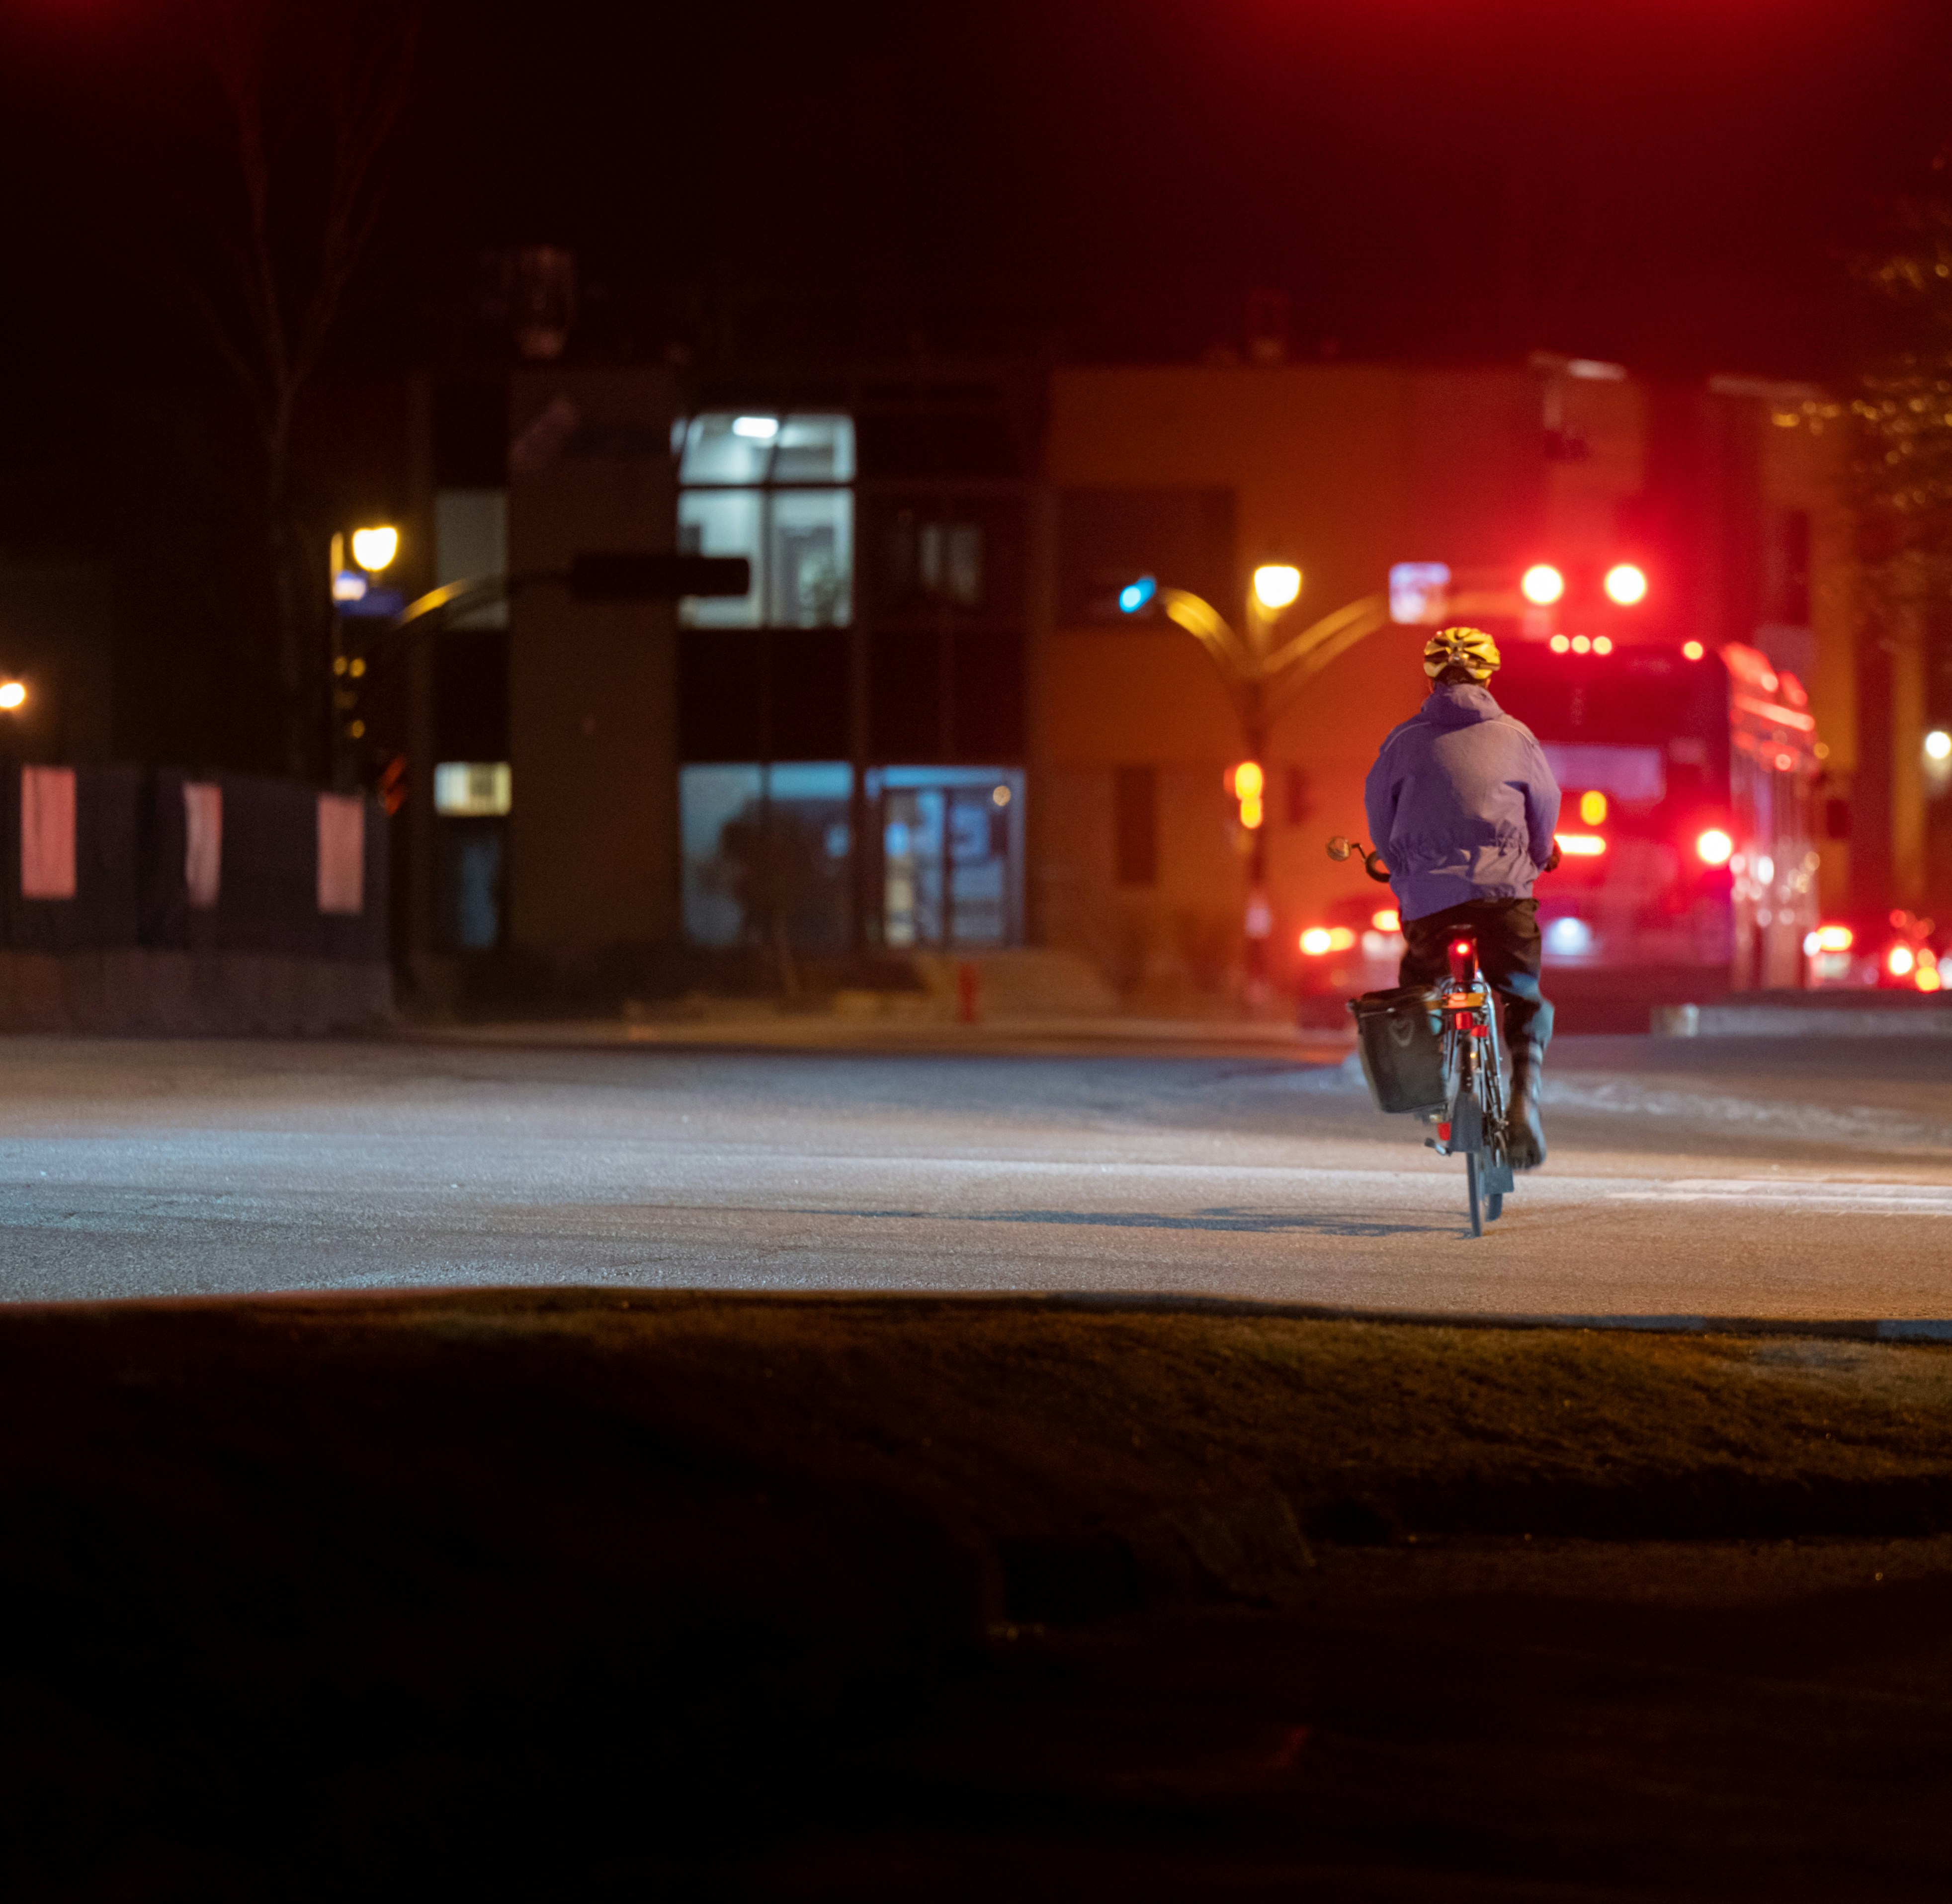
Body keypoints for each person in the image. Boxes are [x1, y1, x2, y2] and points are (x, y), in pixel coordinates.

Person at [1362, 625, 1560, 1167]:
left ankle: (1431, 1087)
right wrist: (1539, 854)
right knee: (1521, 995)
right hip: (1504, 896)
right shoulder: (1517, 737)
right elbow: (1545, 807)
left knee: (1419, 986)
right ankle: (1524, 1101)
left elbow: (1381, 816)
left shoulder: (1403, 741)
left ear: (1430, 677)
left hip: (1429, 901)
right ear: (1490, 675)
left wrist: (1399, 862)